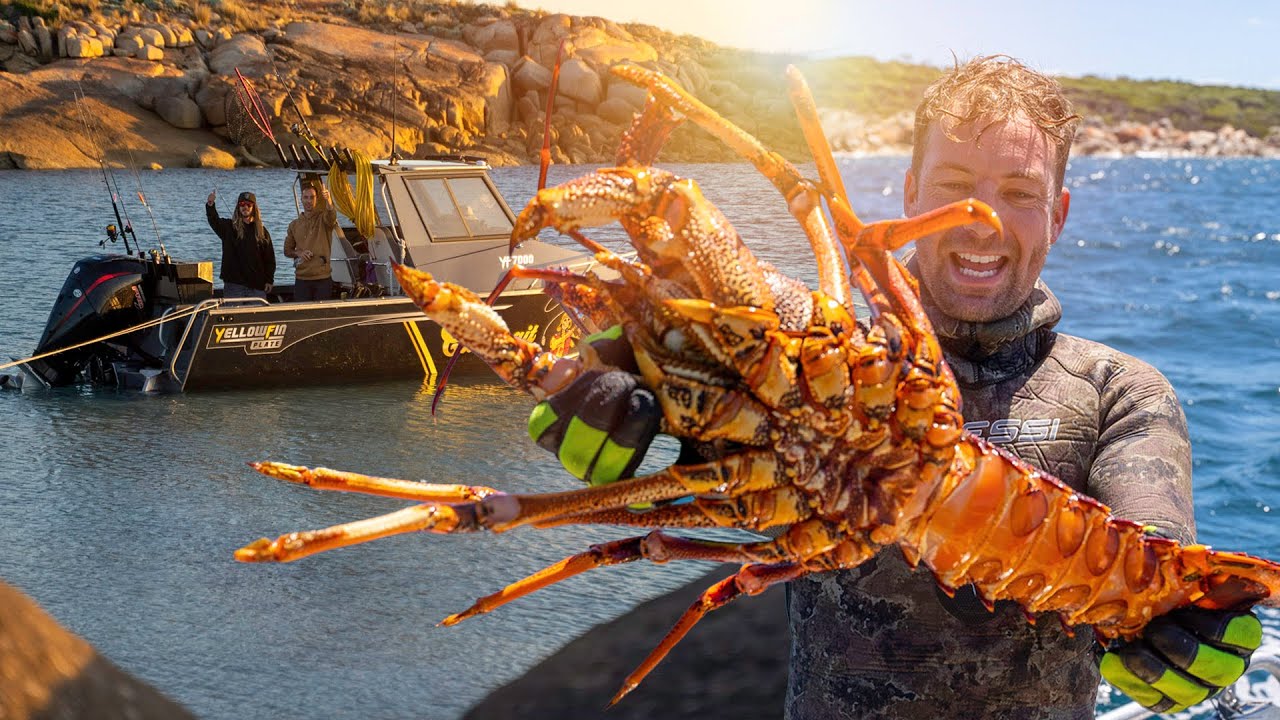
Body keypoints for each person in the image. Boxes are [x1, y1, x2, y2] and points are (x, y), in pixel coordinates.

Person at [527, 55, 1262, 718]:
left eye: (1020, 192)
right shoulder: (815, 353)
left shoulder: (1120, 391)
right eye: (954, 187)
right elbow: (693, 420)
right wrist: (607, 405)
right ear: (910, 196)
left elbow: (1162, 549)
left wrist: (1183, 636)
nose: (984, 222)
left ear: (1059, 215)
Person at [205, 190, 274, 299]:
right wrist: (210, 205)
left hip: (257, 286)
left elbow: (269, 259)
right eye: (242, 204)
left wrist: (269, 280)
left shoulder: (262, 232)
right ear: (238, 207)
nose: (245, 207)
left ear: (254, 208)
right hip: (234, 286)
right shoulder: (228, 227)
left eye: (248, 204)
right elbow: (214, 220)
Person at [284, 180, 338, 302]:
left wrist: (329, 200)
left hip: (323, 279)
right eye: (306, 197)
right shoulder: (294, 225)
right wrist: (299, 253)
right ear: (301, 199)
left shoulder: (324, 220)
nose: (308, 201)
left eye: (312, 197)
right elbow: (287, 251)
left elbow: (331, 216)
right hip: (302, 279)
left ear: (317, 199)